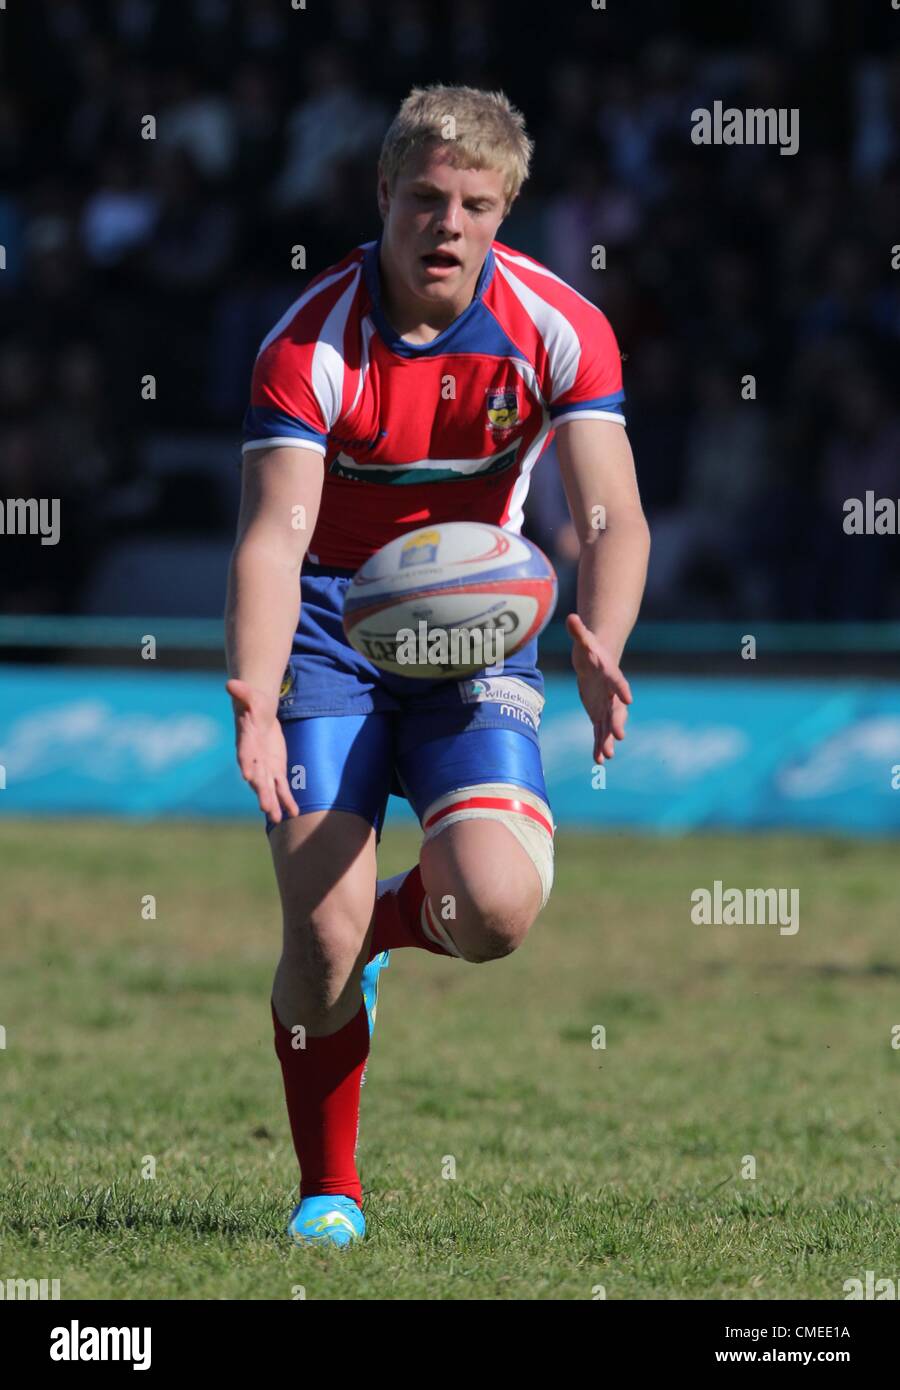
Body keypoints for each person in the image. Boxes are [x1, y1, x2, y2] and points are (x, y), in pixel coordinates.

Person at [224, 84, 650, 1248]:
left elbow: (611, 513)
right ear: (384, 199)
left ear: (505, 212)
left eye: (474, 203)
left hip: (473, 637)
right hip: (326, 628)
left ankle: (379, 929)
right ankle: (331, 1187)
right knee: (311, 944)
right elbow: (273, 536)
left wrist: (604, 633)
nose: (447, 224)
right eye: (425, 197)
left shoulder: (560, 327)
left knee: (496, 908)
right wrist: (257, 694)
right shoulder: (308, 343)